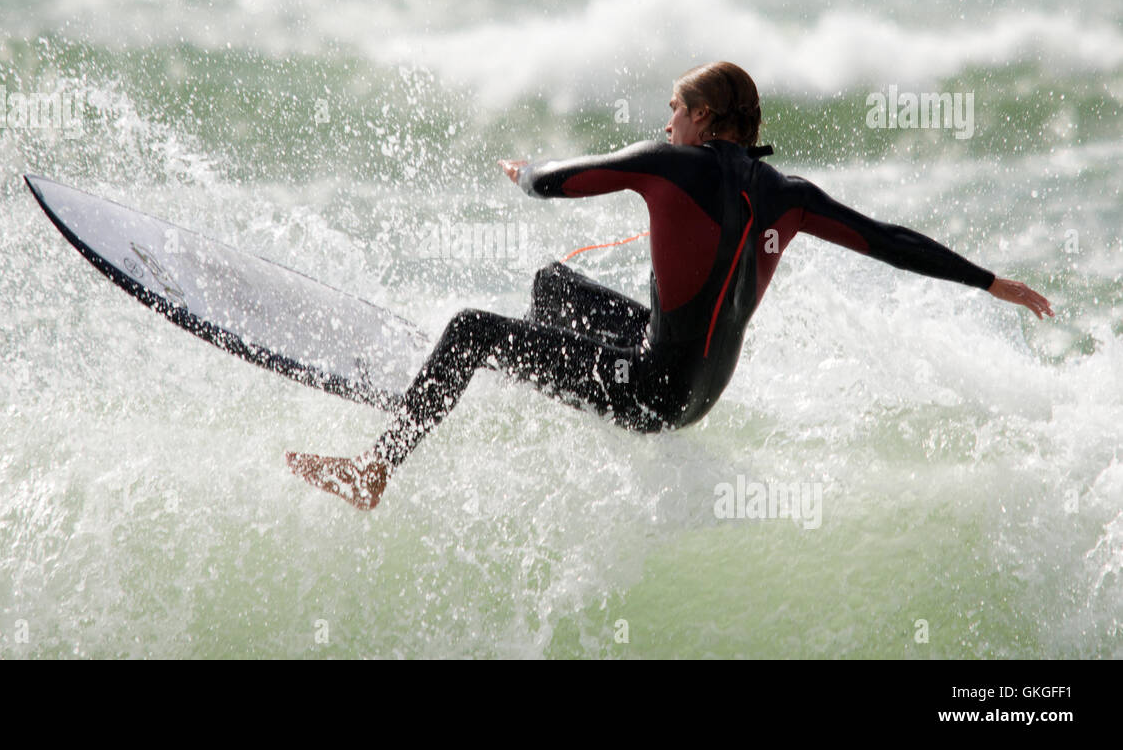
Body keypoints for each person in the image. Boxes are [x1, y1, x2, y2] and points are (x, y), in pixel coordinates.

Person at [287, 61, 1054, 510]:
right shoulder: (789, 194)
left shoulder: (669, 161)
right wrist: (991, 282)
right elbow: (891, 241)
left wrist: (522, 172)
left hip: (653, 390)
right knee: (552, 286)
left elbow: (557, 184)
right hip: (700, 386)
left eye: (675, 109)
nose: (668, 119)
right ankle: (530, 378)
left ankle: (374, 470)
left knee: (470, 329)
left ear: (702, 118)